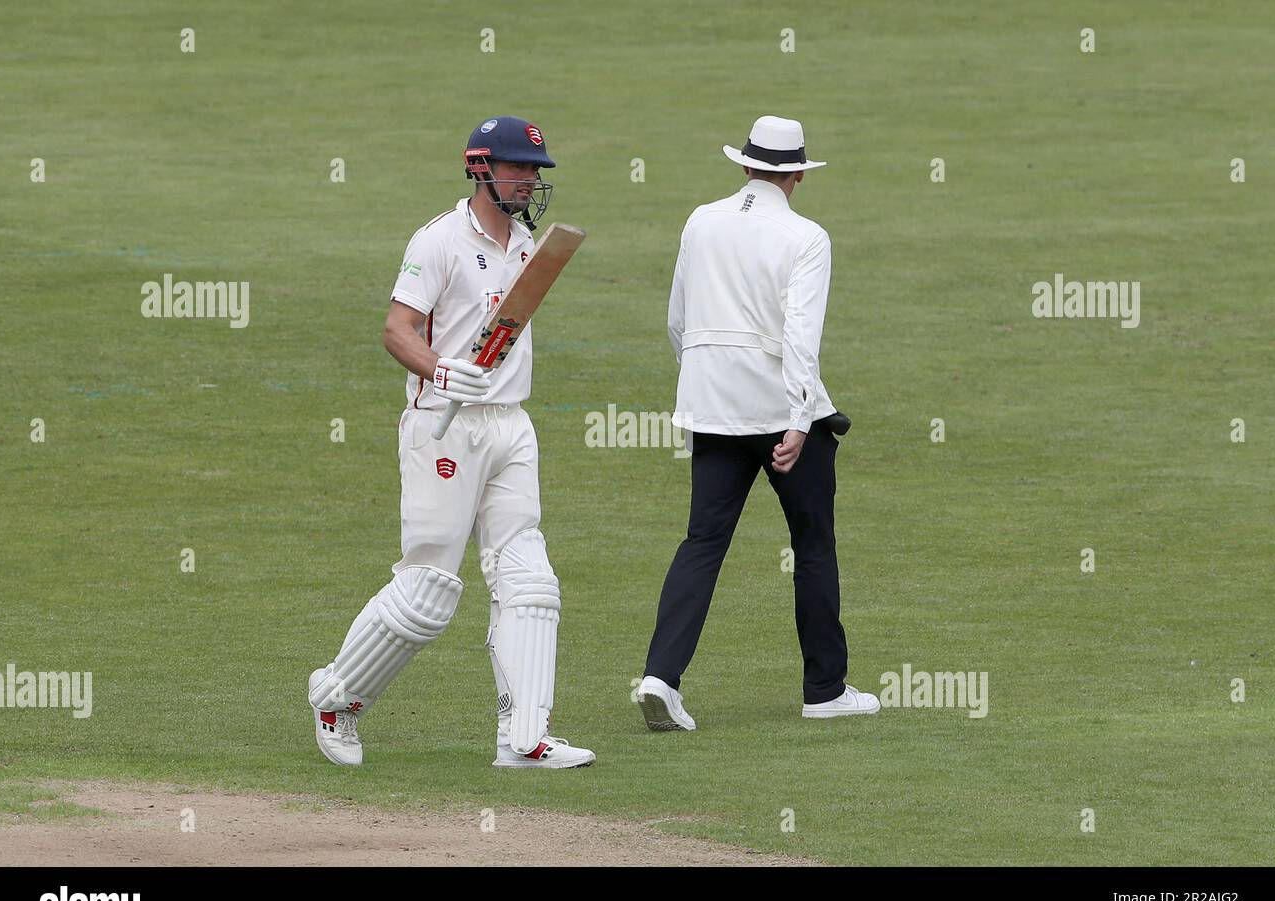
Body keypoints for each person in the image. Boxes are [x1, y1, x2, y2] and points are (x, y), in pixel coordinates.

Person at [307, 116, 595, 769]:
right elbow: (396, 329)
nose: (529, 180)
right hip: (443, 422)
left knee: (528, 580)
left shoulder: (526, 243)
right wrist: (439, 368)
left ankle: (523, 738)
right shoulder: (437, 240)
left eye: (536, 170)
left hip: (511, 425)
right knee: (429, 589)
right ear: (481, 167)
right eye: (519, 168)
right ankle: (335, 698)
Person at [636, 115, 880, 732]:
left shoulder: (700, 220)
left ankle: (661, 677)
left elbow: (677, 320)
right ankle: (825, 689)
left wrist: (702, 388)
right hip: (779, 412)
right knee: (814, 545)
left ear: (746, 165)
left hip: (713, 404)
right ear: (796, 173)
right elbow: (802, 331)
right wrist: (799, 419)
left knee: (702, 542)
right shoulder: (807, 237)